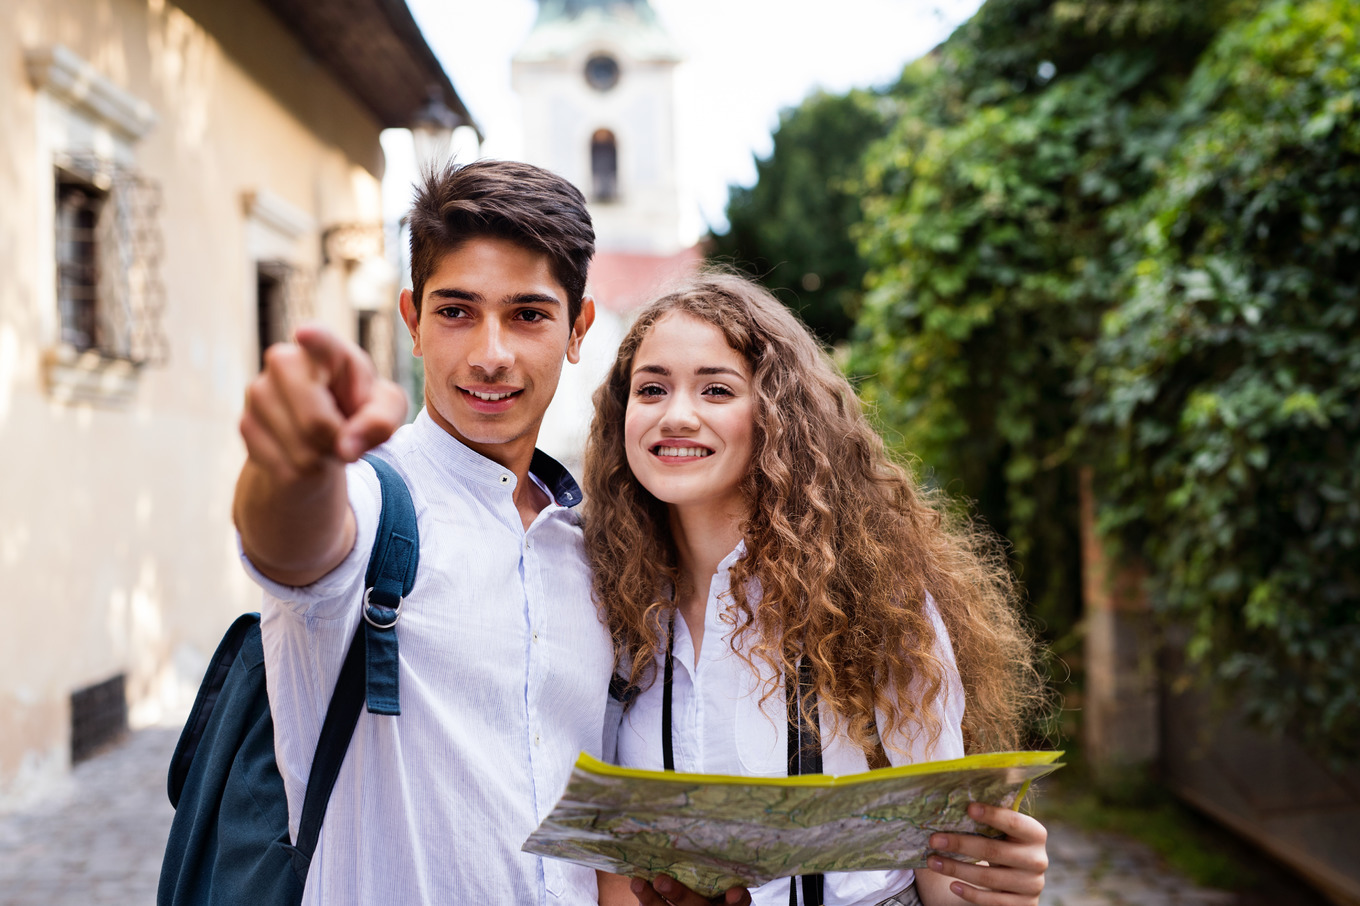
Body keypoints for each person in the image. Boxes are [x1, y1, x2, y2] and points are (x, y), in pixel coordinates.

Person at [583, 273, 1053, 906]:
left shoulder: (874, 603)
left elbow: (945, 864)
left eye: (716, 389)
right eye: (652, 389)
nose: (677, 415)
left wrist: (1002, 888)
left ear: (776, 413)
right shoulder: (605, 607)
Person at [234, 159, 629, 904]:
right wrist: (290, 466)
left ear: (578, 329)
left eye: (528, 314)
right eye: (456, 311)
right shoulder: (374, 496)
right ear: (412, 322)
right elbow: (297, 547)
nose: (490, 354)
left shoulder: (595, 547)